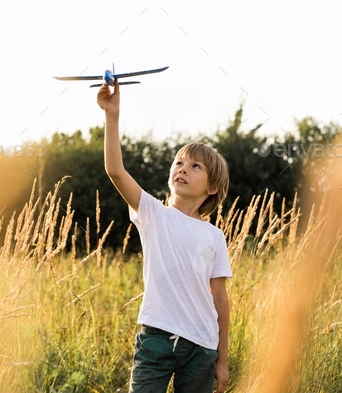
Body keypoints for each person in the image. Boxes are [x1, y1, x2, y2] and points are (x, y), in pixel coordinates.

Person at [97, 80, 231, 393]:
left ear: (212, 187)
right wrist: (112, 115)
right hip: (156, 338)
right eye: (179, 162)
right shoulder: (153, 212)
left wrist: (222, 359)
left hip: (202, 347)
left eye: (195, 166)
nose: (182, 169)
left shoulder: (214, 236)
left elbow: (221, 299)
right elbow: (115, 170)